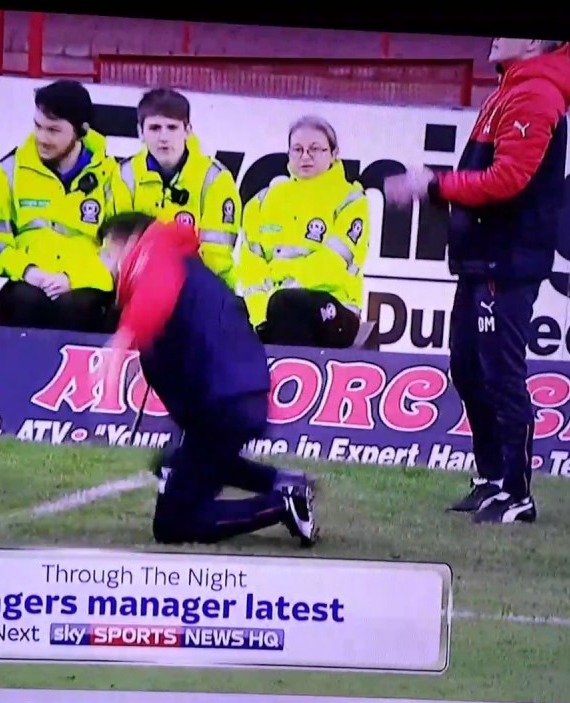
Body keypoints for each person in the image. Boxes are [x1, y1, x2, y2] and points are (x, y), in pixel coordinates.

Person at [385, 39, 570, 524]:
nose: (494, 36)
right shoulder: (511, 88)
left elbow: (508, 179)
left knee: (500, 374)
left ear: (537, 41)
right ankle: (491, 480)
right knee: (469, 369)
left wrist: (433, 185)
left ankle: (517, 494)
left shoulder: (535, 93)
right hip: (482, 257)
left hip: (506, 259)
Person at [96, 212, 318, 547]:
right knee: (183, 460)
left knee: (174, 524)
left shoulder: (157, 260)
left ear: (128, 242)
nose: (105, 260)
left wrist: (120, 344)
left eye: (107, 249)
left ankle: (283, 503)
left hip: (223, 402)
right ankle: (284, 483)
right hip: (230, 397)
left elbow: (154, 299)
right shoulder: (174, 260)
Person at [0, 80, 120, 332]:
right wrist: (29, 272)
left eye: (53, 130)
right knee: (24, 301)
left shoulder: (111, 176)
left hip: (84, 287)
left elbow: (116, 249)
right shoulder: (6, 171)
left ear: (81, 130)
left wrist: (73, 279)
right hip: (26, 283)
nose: (42, 138)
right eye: (38, 126)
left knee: (77, 307)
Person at [239, 115, 369, 348]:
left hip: (336, 309)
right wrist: (260, 314)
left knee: (287, 304)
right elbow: (251, 269)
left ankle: (293, 383)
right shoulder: (261, 202)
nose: (305, 156)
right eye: (297, 149)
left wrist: (284, 285)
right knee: (225, 312)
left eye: (315, 149)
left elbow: (331, 266)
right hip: (274, 307)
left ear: (333, 153)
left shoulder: (351, 201)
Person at [105, 88, 246, 294]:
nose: (164, 137)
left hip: (201, 287)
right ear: (140, 133)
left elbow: (217, 256)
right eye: (154, 128)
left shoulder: (216, 179)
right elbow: (117, 246)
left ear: (188, 130)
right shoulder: (124, 175)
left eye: (172, 127)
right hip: (139, 284)